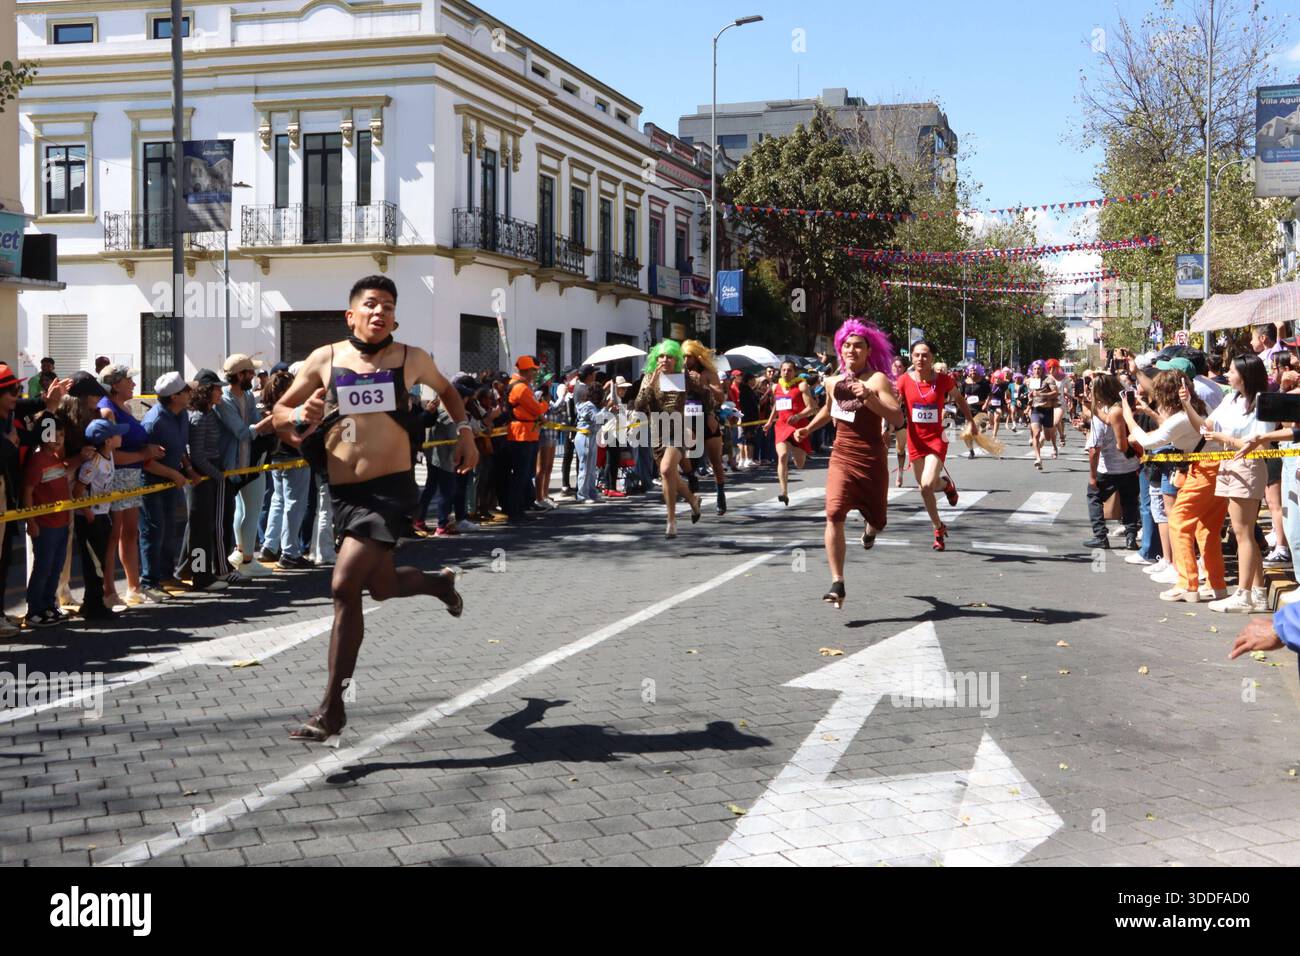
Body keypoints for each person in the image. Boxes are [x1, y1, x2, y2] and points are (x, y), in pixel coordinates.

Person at [272, 275, 476, 743]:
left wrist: (464, 431)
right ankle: (439, 583)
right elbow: (281, 410)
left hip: (392, 491)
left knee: (344, 585)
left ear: (395, 316)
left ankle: (332, 706)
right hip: (345, 493)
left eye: (387, 305)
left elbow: (447, 391)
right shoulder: (324, 358)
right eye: (370, 304)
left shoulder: (411, 358)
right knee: (380, 587)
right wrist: (302, 417)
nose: (379, 312)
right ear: (351, 315)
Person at [793, 319, 904, 609]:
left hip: (871, 457)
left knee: (878, 520)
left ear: (869, 350)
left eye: (858, 346)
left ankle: (869, 531)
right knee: (833, 513)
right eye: (846, 345)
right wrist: (809, 429)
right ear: (840, 350)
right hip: (842, 455)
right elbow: (830, 412)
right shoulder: (832, 382)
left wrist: (869, 397)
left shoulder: (877, 380)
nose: (851, 350)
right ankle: (837, 582)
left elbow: (896, 418)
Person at [1180, 354, 1270, 612]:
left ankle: (1244, 594)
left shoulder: (1261, 403)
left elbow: (1259, 443)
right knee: (1246, 533)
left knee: (1243, 534)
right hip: (1229, 465)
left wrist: (1222, 437)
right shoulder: (1232, 398)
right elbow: (1205, 427)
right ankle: (1258, 592)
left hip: (1247, 466)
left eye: (1231, 371)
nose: (1227, 375)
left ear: (1245, 375)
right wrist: (1187, 405)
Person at [895, 340, 973, 551]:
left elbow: (959, 399)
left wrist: (970, 421)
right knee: (924, 488)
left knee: (928, 484)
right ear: (911, 357)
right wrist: (885, 427)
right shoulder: (903, 380)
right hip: (915, 440)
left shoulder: (943, 380)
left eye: (925, 355)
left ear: (932, 358)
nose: (921, 359)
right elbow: (894, 405)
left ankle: (943, 486)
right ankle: (938, 525)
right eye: (917, 355)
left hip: (937, 438)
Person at [97, 365, 164, 607]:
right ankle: (108, 591)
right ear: (115, 384)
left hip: (131, 477)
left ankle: (133, 587)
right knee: (114, 535)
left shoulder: (121, 407)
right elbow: (111, 455)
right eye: (129, 380)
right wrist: (144, 453)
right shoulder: (107, 410)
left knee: (129, 533)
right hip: (116, 478)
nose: (134, 384)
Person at [633, 340, 702, 539]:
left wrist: (708, 419)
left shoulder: (684, 377)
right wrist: (651, 381)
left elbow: (705, 397)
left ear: (676, 360)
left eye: (670, 356)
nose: (665, 360)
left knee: (665, 469)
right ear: (656, 359)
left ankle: (671, 520)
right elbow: (638, 405)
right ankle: (693, 500)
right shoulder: (649, 378)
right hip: (657, 433)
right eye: (661, 356)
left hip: (678, 431)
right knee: (669, 475)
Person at [138, 372, 197, 600]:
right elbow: (146, 461)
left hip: (172, 482)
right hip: (152, 483)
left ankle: (166, 575)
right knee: (153, 532)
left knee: (169, 528)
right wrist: (174, 473)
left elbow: (180, 447)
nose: (190, 393)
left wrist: (187, 468)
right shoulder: (154, 422)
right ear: (174, 397)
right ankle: (149, 582)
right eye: (185, 391)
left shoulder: (181, 414)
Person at [215, 355, 275, 576]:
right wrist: (264, 424)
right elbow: (241, 431)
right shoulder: (224, 400)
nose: (254, 376)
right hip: (234, 463)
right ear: (240, 375)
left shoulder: (247, 395)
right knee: (247, 512)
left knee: (246, 510)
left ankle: (242, 554)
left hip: (250, 461)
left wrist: (260, 422)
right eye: (250, 372)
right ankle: (248, 560)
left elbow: (251, 422)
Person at [177, 370, 233, 591]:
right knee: (201, 529)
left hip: (208, 474)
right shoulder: (200, 417)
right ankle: (201, 576)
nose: (221, 392)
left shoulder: (210, 413)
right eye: (217, 388)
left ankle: (184, 568)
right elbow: (197, 454)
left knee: (198, 526)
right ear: (207, 390)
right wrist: (217, 474)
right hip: (203, 477)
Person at [72, 418, 128, 619]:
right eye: (116, 434)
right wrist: (88, 513)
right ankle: (93, 607)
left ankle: (94, 603)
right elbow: (78, 490)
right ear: (107, 440)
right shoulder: (93, 462)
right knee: (94, 564)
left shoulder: (109, 456)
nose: (121, 437)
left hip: (103, 514)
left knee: (102, 562)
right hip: (90, 518)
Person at [259, 370, 314, 568]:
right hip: (294, 458)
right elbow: (297, 439)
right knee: (294, 504)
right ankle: (290, 551)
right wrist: (314, 426)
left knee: (278, 501)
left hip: (277, 458)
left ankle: (270, 546)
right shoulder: (285, 410)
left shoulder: (272, 408)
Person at [22, 419, 72, 627]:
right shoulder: (37, 460)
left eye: (61, 435)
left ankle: (49, 604)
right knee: (43, 567)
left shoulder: (56, 458)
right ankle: (34, 609)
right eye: (53, 435)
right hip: (45, 524)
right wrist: (31, 521)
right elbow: (28, 491)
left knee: (56, 567)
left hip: (61, 523)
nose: (58, 439)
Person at [1082, 373, 1140, 550]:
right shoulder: (1127, 408)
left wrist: (1092, 477)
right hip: (1130, 465)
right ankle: (1131, 536)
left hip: (1107, 469)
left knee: (1094, 497)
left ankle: (1100, 535)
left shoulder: (1102, 417)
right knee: (1130, 502)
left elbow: (1094, 449)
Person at [682, 340, 729, 514]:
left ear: (697, 357)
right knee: (688, 461)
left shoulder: (708, 373)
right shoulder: (680, 373)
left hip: (708, 419)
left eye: (689, 357)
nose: (686, 360)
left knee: (716, 461)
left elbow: (720, 398)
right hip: (688, 421)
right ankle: (694, 494)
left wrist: (703, 383)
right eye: (684, 357)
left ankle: (721, 494)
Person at [763, 360, 816, 506]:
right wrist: (769, 421)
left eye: (790, 370)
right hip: (782, 426)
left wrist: (798, 416)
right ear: (780, 372)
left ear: (795, 372)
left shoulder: (802, 385)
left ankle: (797, 450)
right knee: (782, 456)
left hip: (799, 428)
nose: (786, 372)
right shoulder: (776, 387)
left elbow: (812, 407)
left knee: (799, 464)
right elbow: (776, 406)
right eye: (784, 370)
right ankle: (784, 492)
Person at [504, 356, 548, 523]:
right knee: (520, 475)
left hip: (524, 432)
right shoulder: (521, 388)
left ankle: (519, 509)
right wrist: (544, 404)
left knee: (522, 474)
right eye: (533, 370)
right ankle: (515, 513)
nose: (535, 373)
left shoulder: (518, 386)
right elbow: (536, 409)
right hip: (522, 434)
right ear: (526, 370)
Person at [1024, 360, 1059, 470]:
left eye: (1039, 368)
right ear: (1032, 370)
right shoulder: (1030, 381)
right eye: (1034, 369)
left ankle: (1052, 441)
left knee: (1047, 437)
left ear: (1043, 369)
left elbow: (1055, 392)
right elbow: (1030, 395)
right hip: (1036, 410)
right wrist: (1029, 399)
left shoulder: (1049, 379)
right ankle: (1038, 458)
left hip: (1047, 410)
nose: (1036, 371)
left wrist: (1041, 394)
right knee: (1036, 434)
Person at [959, 364, 991, 459]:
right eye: (971, 371)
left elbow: (990, 394)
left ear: (978, 371)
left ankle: (982, 427)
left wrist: (986, 403)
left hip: (979, 409)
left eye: (974, 370)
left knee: (973, 430)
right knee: (967, 433)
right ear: (968, 372)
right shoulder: (965, 383)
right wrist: (961, 404)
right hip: (968, 409)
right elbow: (960, 395)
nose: (973, 372)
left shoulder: (983, 382)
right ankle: (971, 451)